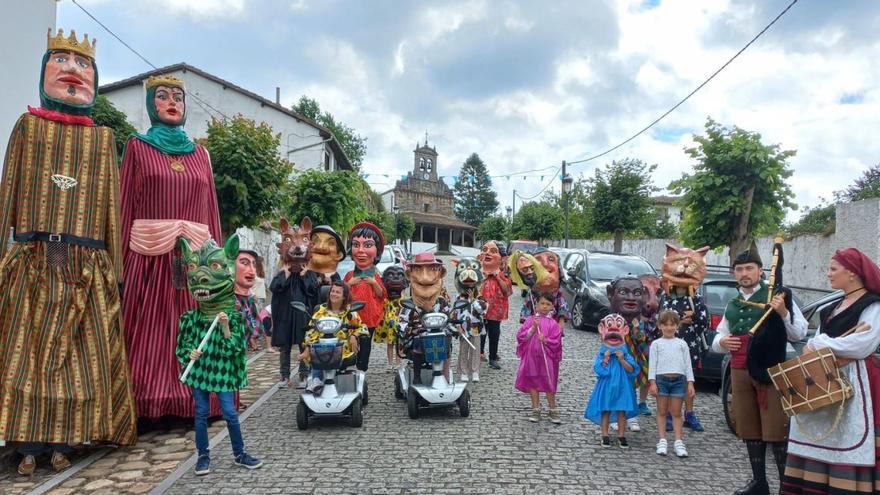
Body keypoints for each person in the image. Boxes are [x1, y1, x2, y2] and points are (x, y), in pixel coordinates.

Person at [0, 28, 137, 476]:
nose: (74, 71)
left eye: (84, 65)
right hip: (33, 259)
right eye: (62, 61)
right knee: (27, 355)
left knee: (79, 357)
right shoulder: (27, 127)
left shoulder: (102, 139)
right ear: (44, 72)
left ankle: (64, 442)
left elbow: (112, 209)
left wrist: (114, 271)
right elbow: (7, 193)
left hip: (85, 263)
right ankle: (25, 443)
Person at [120, 72, 224, 418]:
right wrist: (117, 264)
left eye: (177, 97)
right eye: (162, 96)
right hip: (149, 258)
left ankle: (195, 400)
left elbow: (211, 210)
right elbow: (124, 206)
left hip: (194, 263)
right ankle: (149, 401)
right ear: (151, 104)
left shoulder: (201, 155)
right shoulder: (138, 146)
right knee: (151, 333)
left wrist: (220, 266)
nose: (171, 103)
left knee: (194, 327)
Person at [781, 248, 880, 495]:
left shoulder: (873, 305)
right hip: (822, 380)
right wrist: (821, 344)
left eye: (833, 269)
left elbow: (864, 344)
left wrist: (821, 343)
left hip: (855, 383)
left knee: (847, 438)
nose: (828, 274)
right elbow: (813, 340)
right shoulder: (832, 307)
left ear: (853, 273)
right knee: (816, 439)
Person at [712, 241, 807, 495]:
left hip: (770, 371)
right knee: (749, 427)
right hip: (740, 370)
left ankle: (785, 488)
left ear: (761, 271)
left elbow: (799, 333)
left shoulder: (776, 295)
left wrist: (784, 312)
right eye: (739, 269)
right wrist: (722, 341)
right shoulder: (732, 304)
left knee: (776, 428)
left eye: (749, 268)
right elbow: (717, 338)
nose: (744, 274)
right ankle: (759, 483)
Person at [175, 234, 262, 476]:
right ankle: (203, 456)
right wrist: (188, 353)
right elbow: (182, 347)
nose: (199, 277)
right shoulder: (191, 319)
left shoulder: (233, 317)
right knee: (201, 413)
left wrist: (224, 327)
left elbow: (234, 347)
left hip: (222, 369)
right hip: (201, 369)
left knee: (230, 412)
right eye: (194, 269)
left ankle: (239, 453)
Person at [658, 244, 712, 432]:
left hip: (689, 346)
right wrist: (681, 318)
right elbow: (662, 317)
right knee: (668, 381)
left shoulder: (695, 299)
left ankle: (689, 413)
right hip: (668, 347)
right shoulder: (665, 298)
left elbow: (704, 321)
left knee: (688, 381)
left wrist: (694, 317)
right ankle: (671, 414)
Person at [299, 281, 367, 393]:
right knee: (316, 348)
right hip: (321, 346)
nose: (334, 294)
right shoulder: (320, 310)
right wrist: (307, 347)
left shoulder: (349, 312)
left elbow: (362, 326)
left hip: (342, 347)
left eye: (338, 292)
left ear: (344, 296)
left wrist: (354, 335)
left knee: (322, 351)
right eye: (332, 291)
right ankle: (316, 380)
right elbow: (311, 330)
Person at [584, 313, 639, 448]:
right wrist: (606, 359)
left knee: (622, 410)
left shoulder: (625, 354)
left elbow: (632, 370)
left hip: (622, 387)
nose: (613, 332)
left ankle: (621, 435)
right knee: (606, 410)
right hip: (607, 386)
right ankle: (605, 435)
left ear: (624, 331)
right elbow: (599, 370)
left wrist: (621, 359)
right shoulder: (602, 354)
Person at [648, 310, 695, 458]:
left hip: (678, 381)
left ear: (677, 326)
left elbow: (688, 364)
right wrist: (652, 382)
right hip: (662, 380)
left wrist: (690, 383)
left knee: (676, 412)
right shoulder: (656, 344)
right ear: (660, 326)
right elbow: (652, 365)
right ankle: (662, 440)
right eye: (665, 325)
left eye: (672, 325)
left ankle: (678, 441)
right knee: (662, 411)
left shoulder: (682, 344)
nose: (669, 328)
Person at [607, 275, 648, 432]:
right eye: (624, 292)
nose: (631, 298)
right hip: (615, 360)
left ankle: (630, 415)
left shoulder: (639, 322)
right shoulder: (610, 320)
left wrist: (637, 331)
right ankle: (612, 415)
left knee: (631, 387)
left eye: (637, 293)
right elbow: (605, 340)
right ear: (611, 294)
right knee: (615, 386)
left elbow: (641, 341)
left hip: (632, 360)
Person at [345, 222, 387, 372]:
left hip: (370, 316)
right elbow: (339, 295)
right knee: (351, 340)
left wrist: (374, 283)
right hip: (352, 318)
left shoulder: (376, 275)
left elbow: (382, 295)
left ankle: (362, 367)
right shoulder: (349, 275)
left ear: (377, 252)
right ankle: (351, 363)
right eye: (356, 245)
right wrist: (349, 284)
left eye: (368, 245)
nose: (361, 251)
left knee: (366, 342)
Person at [516, 292, 563, 424]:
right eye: (542, 303)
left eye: (548, 304)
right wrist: (532, 329)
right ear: (536, 305)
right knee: (533, 382)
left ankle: (552, 409)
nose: (544, 306)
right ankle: (535, 408)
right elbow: (521, 336)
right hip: (531, 357)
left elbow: (557, 341)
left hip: (547, 359)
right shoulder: (531, 320)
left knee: (549, 381)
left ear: (552, 307)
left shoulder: (553, 324)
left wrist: (546, 340)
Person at [479, 240, 512, 370]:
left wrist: (497, 276)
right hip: (480, 310)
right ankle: (479, 353)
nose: (487, 253)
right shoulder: (477, 271)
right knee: (480, 332)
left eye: (493, 251)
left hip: (496, 311)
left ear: (501, 257)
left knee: (494, 333)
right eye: (485, 249)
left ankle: (493, 357)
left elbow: (507, 291)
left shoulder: (503, 273)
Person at [234, 248, 268, 352]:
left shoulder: (248, 299)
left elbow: (252, 323)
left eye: (254, 264)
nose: (252, 271)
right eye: (244, 263)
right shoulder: (229, 299)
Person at [376, 265, 408, 371]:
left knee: (399, 343)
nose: (395, 278)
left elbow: (403, 303)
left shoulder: (402, 299)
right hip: (389, 321)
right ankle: (390, 363)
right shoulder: (386, 298)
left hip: (399, 321)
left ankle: (398, 363)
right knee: (390, 344)